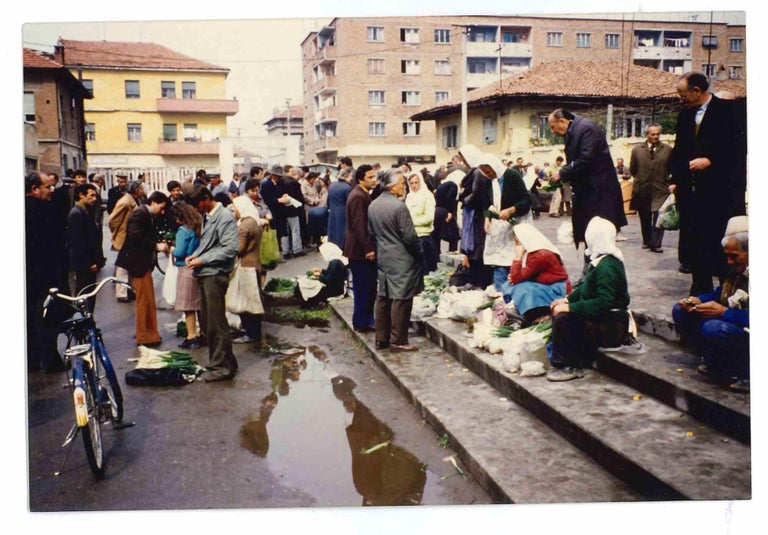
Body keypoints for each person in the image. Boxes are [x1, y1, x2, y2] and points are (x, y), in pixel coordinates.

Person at [668, 71, 741, 295]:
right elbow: (679, 152)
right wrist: (675, 179)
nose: (681, 100)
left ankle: (727, 293)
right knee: (696, 244)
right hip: (692, 194)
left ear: (697, 91)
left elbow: (738, 149)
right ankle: (700, 291)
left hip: (721, 194)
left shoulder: (729, 111)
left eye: (683, 95)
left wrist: (711, 160)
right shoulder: (685, 116)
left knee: (721, 245)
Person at [546, 217, 632, 382]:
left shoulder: (607, 266)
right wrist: (567, 301)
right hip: (606, 319)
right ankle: (569, 360)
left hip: (613, 325)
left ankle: (569, 366)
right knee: (560, 313)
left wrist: (570, 308)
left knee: (564, 319)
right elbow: (585, 287)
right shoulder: (599, 261)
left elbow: (603, 303)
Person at [548, 109, 627, 281]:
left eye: (553, 127)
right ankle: (589, 276)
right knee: (587, 235)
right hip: (586, 192)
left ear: (562, 121)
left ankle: (603, 277)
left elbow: (586, 159)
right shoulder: (573, 131)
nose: (553, 131)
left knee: (600, 235)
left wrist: (563, 172)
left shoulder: (586, 129)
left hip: (600, 192)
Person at [672, 216, 749, 393]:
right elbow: (719, 295)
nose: (729, 261)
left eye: (734, 256)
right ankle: (718, 362)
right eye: (727, 256)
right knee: (681, 311)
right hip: (736, 324)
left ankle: (745, 371)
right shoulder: (735, 272)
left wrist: (724, 313)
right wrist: (697, 300)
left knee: (714, 327)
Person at [186, 186, 239, 382]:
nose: (196, 209)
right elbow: (209, 244)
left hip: (215, 275)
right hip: (207, 274)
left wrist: (202, 260)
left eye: (197, 204)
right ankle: (225, 362)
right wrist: (195, 256)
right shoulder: (208, 216)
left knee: (216, 323)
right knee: (209, 322)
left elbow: (230, 248)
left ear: (206, 198)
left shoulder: (224, 217)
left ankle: (221, 367)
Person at [368, 168, 424, 352]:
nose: (404, 186)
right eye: (402, 184)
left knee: (384, 296)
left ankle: (381, 337)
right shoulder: (399, 207)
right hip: (401, 258)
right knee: (401, 299)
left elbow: (371, 232)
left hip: (384, 256)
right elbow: (409, 236)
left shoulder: (373, 205)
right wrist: (419, 252)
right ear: (392, 187)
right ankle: (398, 340)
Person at [115, 191, 170, 347]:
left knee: (147, 299)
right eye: (161, 207)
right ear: (153, 202)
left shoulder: (145, 214)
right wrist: (155, 246)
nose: (162, 211)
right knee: (144, 300)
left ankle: (148, 333)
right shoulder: (139, 214)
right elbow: (135, 236)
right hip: (138, 262)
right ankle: (145, 335)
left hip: (141, 262)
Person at [25, 171, 67, 373]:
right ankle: (50, 360)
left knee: (28, 318)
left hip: (28, 276)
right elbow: (57, 245)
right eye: (47, 187)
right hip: (46, 275)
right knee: (48, 317)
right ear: (34, 189)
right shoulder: (46, 211)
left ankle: (31, 361)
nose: (52, 190)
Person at [502, 223, 571, 325]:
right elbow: (518, 276)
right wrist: (514, 276)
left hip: (557, 288)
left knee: (522, 288)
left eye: (518, 243)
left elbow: (516, 277)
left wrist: (518, 256)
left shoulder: (540, 255)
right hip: (546, 283)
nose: (516, 246)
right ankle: (526, 310)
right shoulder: (534, 252)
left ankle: (537, 314)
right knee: (514, 285)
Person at [483, 156, 532, 294]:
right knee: (499, 261)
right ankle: (502, 296)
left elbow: (526, 200)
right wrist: (487, 218)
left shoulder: (512, 175)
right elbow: (486, 203)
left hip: (516, 224)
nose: (487, 174)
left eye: (489, 171)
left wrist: (511, 210)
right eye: (484, 172)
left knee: (515, 259)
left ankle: (516, 296)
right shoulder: (489, 181)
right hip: (498, 228)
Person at [343, 164, 378, 332]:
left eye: (374, 176)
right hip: (360, 251)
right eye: (370, 177)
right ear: (360, 179)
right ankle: (363, 322)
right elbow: (360, 225)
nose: (374, 180)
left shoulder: (361, 194)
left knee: (366, 287)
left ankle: (363, 319)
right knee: (364, 287)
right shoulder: (358, 196)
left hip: (359, 250)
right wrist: (368, 249)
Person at [629, 123, 672, 254]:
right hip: (642, 188)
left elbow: (671, 168)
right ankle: (647, 241)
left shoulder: (667, 149)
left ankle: (656, 243)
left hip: (660, 188)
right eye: (653, 134)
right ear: (647, 135)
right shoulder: (637, 150)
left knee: (659, 216)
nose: (656, 137)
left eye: (658, 134)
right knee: (645, 216)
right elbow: (633, 169)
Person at [231, 196, 265, 344]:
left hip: (246, 266)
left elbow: (239, 248)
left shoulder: (244, 226)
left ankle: (251, 333)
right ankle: (253, 331)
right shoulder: (255, 221)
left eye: (236, 209)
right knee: (254, 300)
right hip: (255, 263)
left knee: (247, 303)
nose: (235, 212)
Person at [171, 201, 204, 350]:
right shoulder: (197, 227)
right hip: (197, 266)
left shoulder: (182, 231)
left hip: (185, 268)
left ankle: (191, 336)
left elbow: (180, 251)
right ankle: (202, 333)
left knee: (188, 306)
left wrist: (171, 249)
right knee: (199, 304)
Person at [67, 183, 106, 311]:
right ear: (81, 195)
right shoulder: (76, 214)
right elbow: (78, 242)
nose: (94, 199)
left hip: (89, 261)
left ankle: (87, 317)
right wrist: (89, 262)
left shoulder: (86, 211)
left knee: (90, 293)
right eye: (91, 195)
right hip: (84, 263)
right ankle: (83, 318)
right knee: (84, 293)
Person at [107, 180, 144, 302]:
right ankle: (121, 293)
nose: (143, 190)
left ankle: (129, 289)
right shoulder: (125, 202)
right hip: (124, 237)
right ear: (136, 190)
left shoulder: (136, 200)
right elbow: (112, 220)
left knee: (131, 264)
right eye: (141, 188)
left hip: (131, 237)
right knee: (123, 266)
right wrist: (116, 233)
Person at [296, 242, 349, 309]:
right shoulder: (336, 260)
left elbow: (328, 280)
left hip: (334, 291)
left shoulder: (335, 263)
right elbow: (331, 274)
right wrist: (321, 271)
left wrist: (319, 275)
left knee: (304, 287)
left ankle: (309, 305)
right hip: (336, 288)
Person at [405, 171, 438, 274]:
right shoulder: (409, 197)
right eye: (411, 183)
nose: (414, 185)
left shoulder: (427, 195)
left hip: (424, 237)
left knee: (425, 270)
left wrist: (411, 222)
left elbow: (429, 218)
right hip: (411, 237)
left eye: (416, 182)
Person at [278, 166, 305, 258]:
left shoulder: (280, 181)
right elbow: (299, 198)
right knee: (295, 230)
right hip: (293, 209)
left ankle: (285, 251)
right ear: (297, 175)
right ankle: (297, 250)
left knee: (285, 231)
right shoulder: (294, 183)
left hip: (282, 209)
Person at [432, 171, 460, 254]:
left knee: (436, 235)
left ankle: (437, 255)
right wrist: (450, 212)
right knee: (454, 235)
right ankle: (452, 252)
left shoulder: (441, 186)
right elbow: (450, 198)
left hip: (436, 210)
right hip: (445, 212)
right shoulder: (453, 186)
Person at [327, 166, 354, 250]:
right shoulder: (347, 188)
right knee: (342, 234)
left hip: (332, 213)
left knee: (334, 234)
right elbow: (350, 203)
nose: (352, 179)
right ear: (345, 176)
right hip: (343, 213)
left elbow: (328, 201)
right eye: (351, 176)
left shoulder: (332, 186)